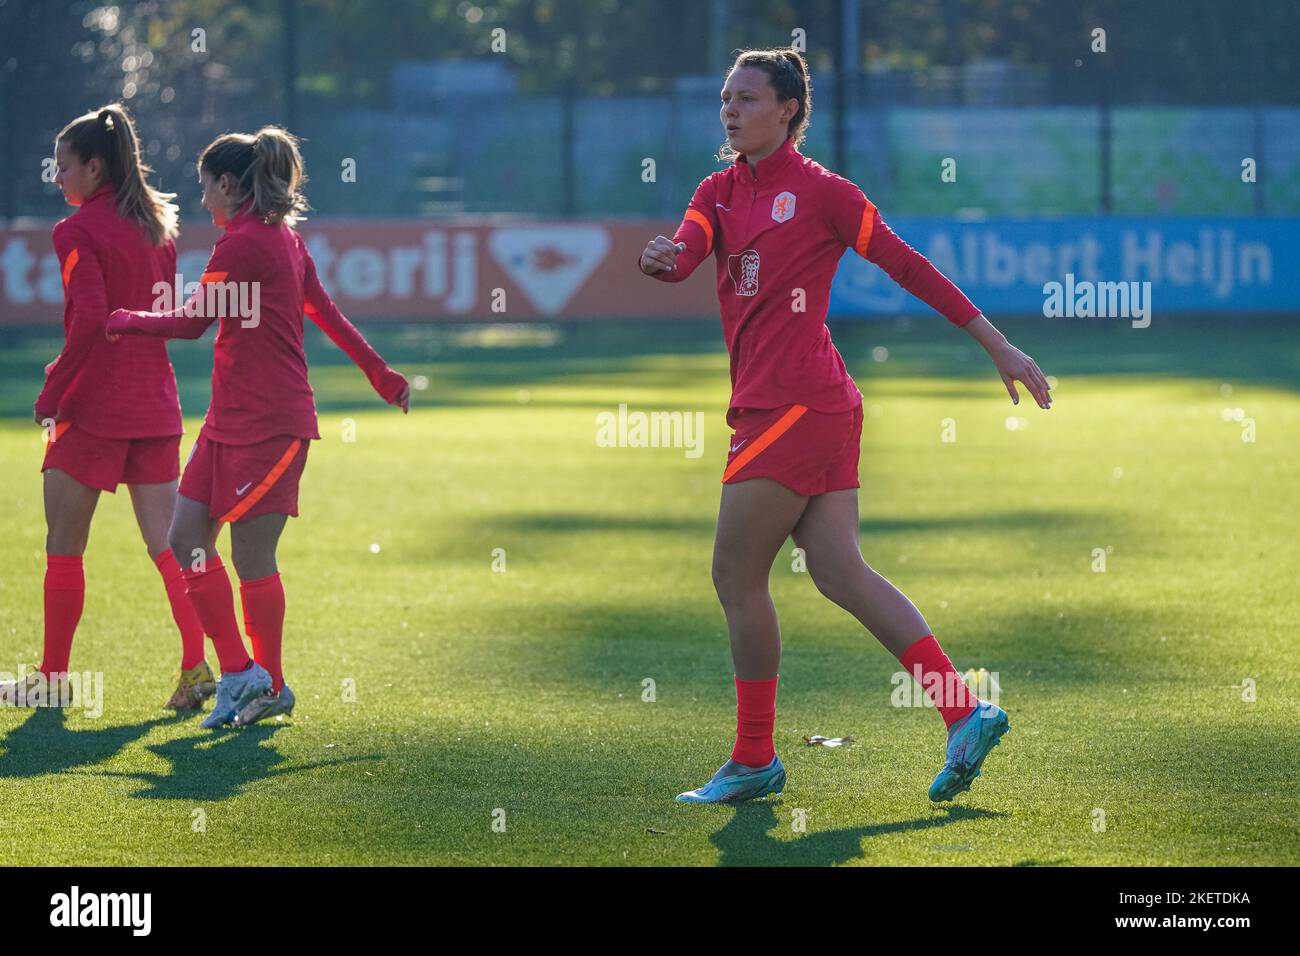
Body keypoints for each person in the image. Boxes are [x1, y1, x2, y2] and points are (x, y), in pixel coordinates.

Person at [639, 49, 1051, 803]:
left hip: (794, 405)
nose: (731, 111)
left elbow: (907, 265)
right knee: (837, 570)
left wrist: (998, 343)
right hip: (814, 403)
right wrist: (663, 258)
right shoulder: (717, 189)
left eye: (748, 98)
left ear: (789, 110)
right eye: (725, 99)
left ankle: (754, 758)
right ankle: (964, 710)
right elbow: (688, 249)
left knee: (735, 574)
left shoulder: (824, 192)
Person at [107, 126, 410, 728]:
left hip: (273, 424)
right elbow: (323, 311)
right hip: (227, 423)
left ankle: (267, 684)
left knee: (250, 558)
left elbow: (194, 323)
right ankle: (244, 674)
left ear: (227, 184)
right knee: (187, 540)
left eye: (204, 187)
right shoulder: (281, 241)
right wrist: (379, 373)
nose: (201, 201)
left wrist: (123, 318)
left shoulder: (247, 246)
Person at [0, 103, 215, 712]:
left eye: (64, 166)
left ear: (95, 167)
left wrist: (50, 394)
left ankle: (51, 680)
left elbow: (92, 322)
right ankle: (197, 667)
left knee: (64, 545)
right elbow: (162, 318)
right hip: (154, 403)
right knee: (169, 547)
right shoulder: (159, 230)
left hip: (93, 404)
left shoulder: (75, 231)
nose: (57, 176)